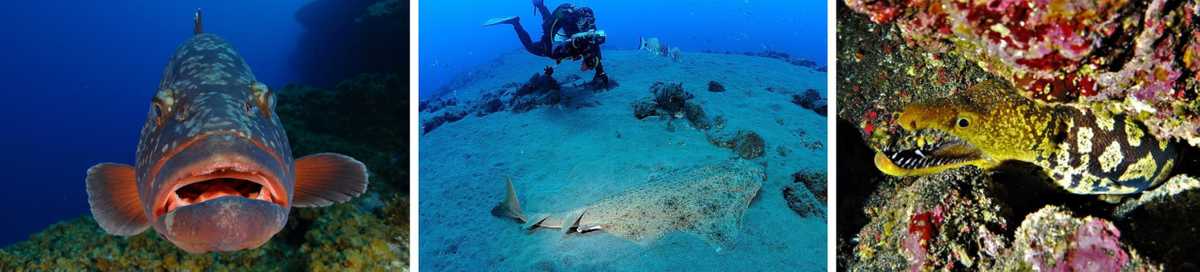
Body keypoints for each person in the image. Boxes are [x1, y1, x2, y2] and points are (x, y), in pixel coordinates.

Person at [485, 0, 609, 86]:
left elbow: (593, 51)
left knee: (548, 22)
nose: (585, 69)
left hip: (555, 34)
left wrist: (600, 72)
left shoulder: (587, 40)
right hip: (549, 45)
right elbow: (567, 53)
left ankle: (539, 5)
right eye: (588, 67)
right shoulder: (583, 45)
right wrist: (599, 72)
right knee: (530, 46)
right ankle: (515, 23)